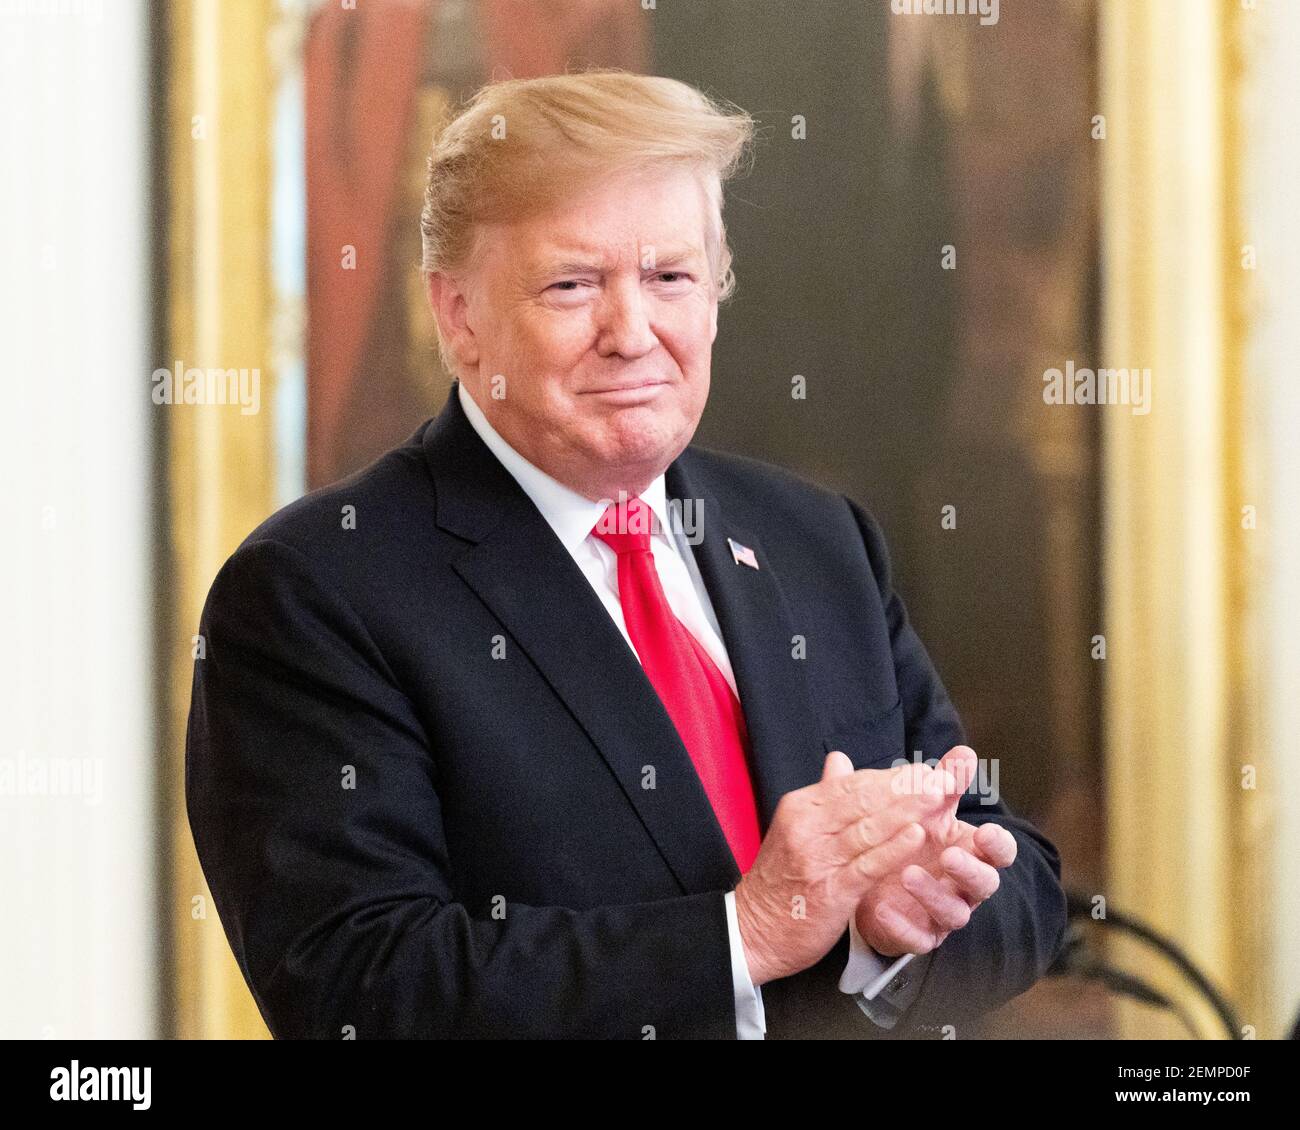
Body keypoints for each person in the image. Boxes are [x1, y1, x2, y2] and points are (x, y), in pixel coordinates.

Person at [185, 70, 1067, 1039]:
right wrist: (745, 932)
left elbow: (1017, 868)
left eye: (669, 277)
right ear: (459, 315)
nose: (632, 332)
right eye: (573, 284)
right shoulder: (316, 589)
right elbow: (358, 987)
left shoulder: (815, 538)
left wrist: (901, 923)